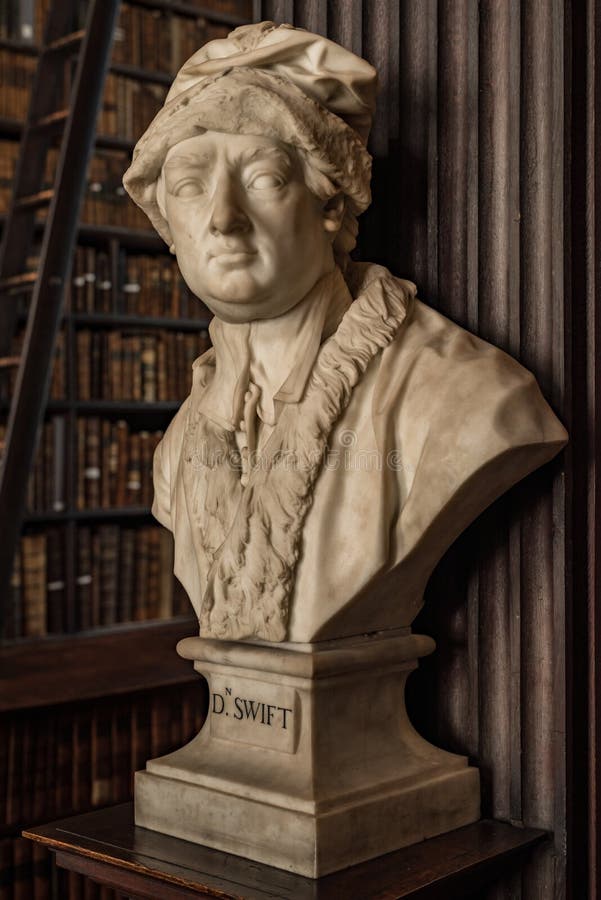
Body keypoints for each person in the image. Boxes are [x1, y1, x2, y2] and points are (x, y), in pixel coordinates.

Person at [123, 21, 567, 644]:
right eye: (191, 187)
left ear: (331, 206)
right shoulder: (179, 448)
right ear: (168, 224)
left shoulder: (466, 400)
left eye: (263, 180)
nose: (223, 221)